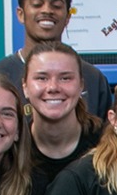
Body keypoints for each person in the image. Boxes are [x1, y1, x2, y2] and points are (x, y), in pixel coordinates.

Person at [0, 0, 116, 120]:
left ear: (68, 17)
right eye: (37, 4)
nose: (47, 10)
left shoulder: (93, 78)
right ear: (21, 14)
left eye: (56, 5)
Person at [25, 40, 103, 187]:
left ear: (81, 86)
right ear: (25, 87)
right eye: (42, 78)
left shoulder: (106, 145)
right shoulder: (12, 149)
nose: (53, 87)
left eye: (65, 78)